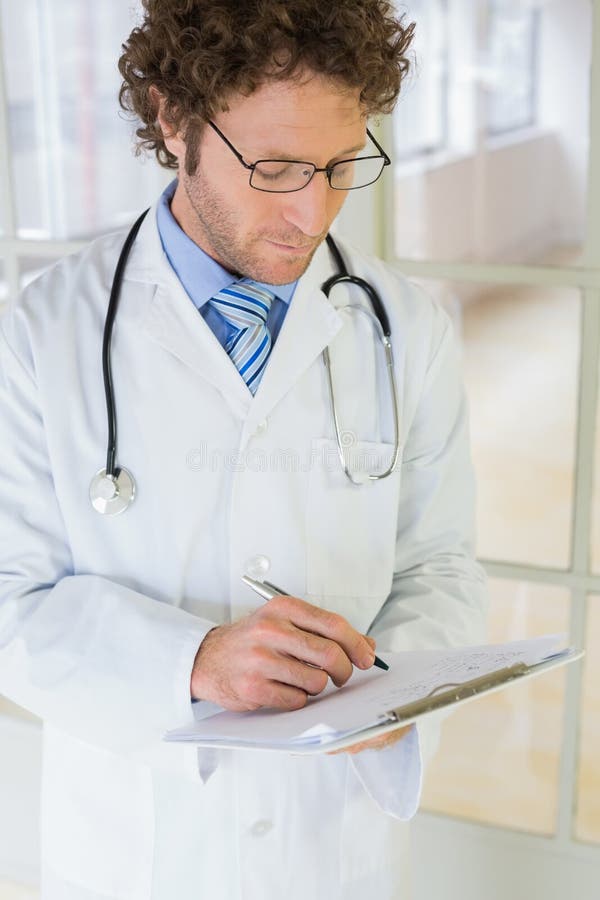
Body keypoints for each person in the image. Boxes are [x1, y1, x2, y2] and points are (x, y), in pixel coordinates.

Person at [0, 2, 487, 898]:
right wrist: (191, 663)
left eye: (343, 166)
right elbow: (9, 600)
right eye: (276, 168)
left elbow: (443, 566)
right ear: (172, 118)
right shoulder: (38, 335)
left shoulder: (407, 326)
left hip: (333, 844)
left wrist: (394, 696)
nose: (313, 211)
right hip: (138, 853)